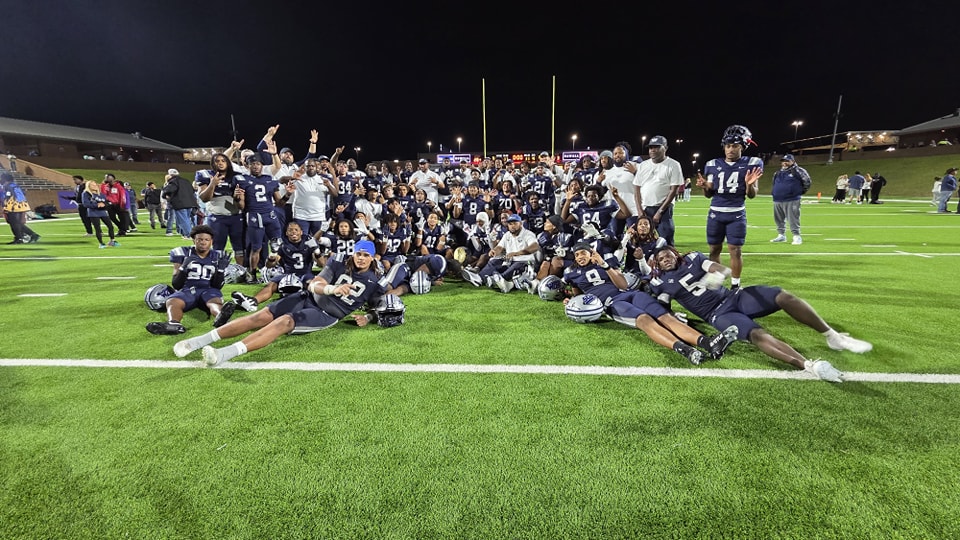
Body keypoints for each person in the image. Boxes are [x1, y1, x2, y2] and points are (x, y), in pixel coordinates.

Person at [650, 245, 873, 382]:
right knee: (758, 335)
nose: (665, 259)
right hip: (718, 315)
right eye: (660, 259)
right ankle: (809, 365)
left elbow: (722, 269)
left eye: (667, 254)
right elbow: (663, 310)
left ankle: (833, 336)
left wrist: (716, 276)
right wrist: (676, 317)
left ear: (675, 254)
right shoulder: (661, 283)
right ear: (658, 265)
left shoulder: (693, 259)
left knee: (783, 296)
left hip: (733, 297)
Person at [171, 239, 388, 366]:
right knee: (260, 316)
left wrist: (368, 317)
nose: (360, 258)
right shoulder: (339, 261)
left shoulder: (374, 281)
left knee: (284, 321)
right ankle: (198, 341)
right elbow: (315, 283)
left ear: (373, 258)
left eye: (365, 256)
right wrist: (332, 288)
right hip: (309, 297)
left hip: (327, 314)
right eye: (358, 253)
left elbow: (381, 306)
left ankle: (223, 354)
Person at [562, 242, 738, 365]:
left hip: (630, 293)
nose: (580, 257)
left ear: (591, 253)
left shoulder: (606, 263)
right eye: (577, 255)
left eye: (583, 253)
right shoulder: (572, 274)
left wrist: (604, 265)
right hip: (611, 303)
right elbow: (579, 295)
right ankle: (685, 350)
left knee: (666, 317)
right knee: (645, 321)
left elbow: (622, 284)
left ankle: (708, 344)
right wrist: (572, 301)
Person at [697, 125, 763, 288]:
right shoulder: (713, 164)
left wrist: (748, 185)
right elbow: (709, 194)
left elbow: (752, 195)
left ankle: (735, 285)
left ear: (743, 147)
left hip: (736, 214)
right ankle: (715, 281)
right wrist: (705, 186)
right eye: (728, 146)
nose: (730, 149)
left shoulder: (752, 163)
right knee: (713, 250)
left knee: (735, 250)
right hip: (716, 213)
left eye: (735, 146)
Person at [146, 225, 232, 335]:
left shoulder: (218, 256)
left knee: (214, 302)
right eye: (199, 239)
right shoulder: (182, 252)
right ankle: (174, 324)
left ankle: (222, 318)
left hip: (209, 289)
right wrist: (183, 267)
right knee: (172, 301)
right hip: (188, 289)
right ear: (193, 240)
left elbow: (217, 286)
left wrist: (220, 271)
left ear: (211, 241)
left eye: (207, 240)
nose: (203, 242)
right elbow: (176, 284)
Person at [461, 213, 539, 293]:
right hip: (510, 261)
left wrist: (517, 253)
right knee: (494, 261)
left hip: (525, 262)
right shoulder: (507, 235)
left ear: (521, 224)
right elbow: (500, 247)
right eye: (510, 224)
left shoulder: (528, 234)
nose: (512, 226)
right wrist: (494, 251)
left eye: (515, 223)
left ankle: (498, 280)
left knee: (517, 265)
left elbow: (535, 247)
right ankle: (479, 278)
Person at [633, 135, 683, 245]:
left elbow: (673, 190)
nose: (652, 150)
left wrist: (660, 212)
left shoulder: (673, 165)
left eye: (656, 147)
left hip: (663, 208)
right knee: (642, 242)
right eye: (651, 147)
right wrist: (640, 210)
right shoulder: (643, 165)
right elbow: (636, 189)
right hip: (645, 208)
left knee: (666, 241)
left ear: (665, 148)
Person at [769, 154, 809, 245]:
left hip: (792, 199)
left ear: (793, 161)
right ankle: (781, 235)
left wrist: (797, 192)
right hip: (777, 199)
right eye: (783, 161)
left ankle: (797, 236)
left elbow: (807, 182)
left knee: (793, 218)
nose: (785, 163)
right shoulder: (778, 173)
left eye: (787, 161)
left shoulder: (799, 171)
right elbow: (774, 183)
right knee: (779, 219)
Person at [1, 172, 40, 244]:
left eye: (2, 178)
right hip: (22, 203)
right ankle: (25, 236)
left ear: (5, 179)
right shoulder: (16, 185)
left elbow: (8, 196)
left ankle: (21, 238)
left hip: (13, 205)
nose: (1, 180)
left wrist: (5, 205)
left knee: (14, 223)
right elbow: (23, 193)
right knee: (16, 223)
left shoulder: (7, 186)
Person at [81, 180, 119, 248]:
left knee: (110, 226)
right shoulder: (86, 193)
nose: (95, 186)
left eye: (95, 185)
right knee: (98, 229)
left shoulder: (101, 194)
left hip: (102, 212)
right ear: (88, 186)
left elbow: (106, 202)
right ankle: (101, 243)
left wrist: (104, 204)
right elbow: (86, 204)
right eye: (92, 185)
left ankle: (112, 241)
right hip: (93, 213)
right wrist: (97, 205)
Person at [162, 168, 198, 238]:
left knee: (183, 220)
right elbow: (192, 191)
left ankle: (189, 235)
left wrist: (165, 195)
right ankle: (186, 234)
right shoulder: (186, 181)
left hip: (180, 203)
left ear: (170, 175)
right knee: (187, 219)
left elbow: (168, 190)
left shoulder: (173, 181)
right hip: (190, 203)